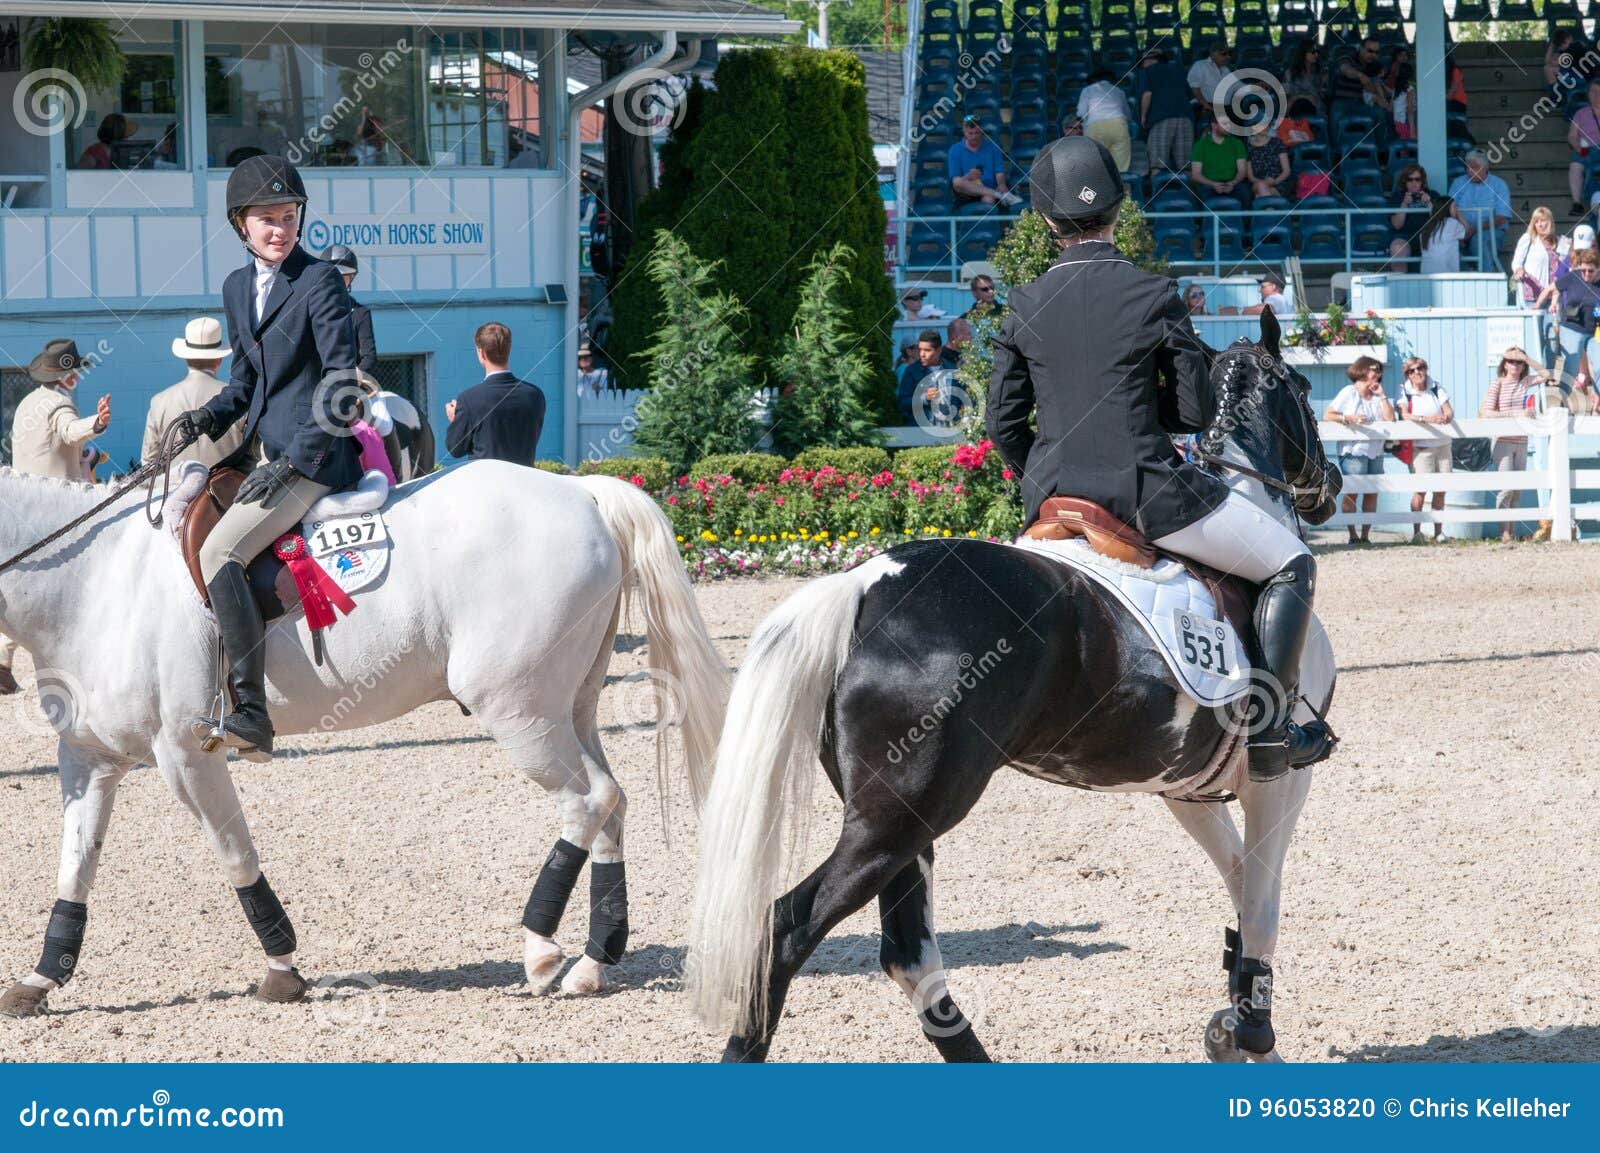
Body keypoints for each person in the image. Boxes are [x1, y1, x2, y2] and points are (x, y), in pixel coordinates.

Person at [986, 135, 1330, 782]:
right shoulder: (1152, 293)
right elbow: (1197, 413)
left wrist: (1044, 473)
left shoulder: (1023, 305)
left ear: (1044, 221)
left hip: (1051, 503)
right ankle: (1271, 739)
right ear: (1117, 210)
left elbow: (1001, 422)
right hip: (1148, 497)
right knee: (1291, 563)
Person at [172, 154, 364, 762]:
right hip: (258, 452)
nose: (280, 229)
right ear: (241, 225)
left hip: (311, 458)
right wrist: (209, 416)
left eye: (288, 217)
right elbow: (247, 383)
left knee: (219, 550)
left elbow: (342, 381)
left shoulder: (319, 281)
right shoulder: (236, 288)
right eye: (267, 220)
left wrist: (299, 456)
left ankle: (252, 712)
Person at [5, 338, 114, 697]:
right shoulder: (58, 404)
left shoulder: (25, 403)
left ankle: (4, 657)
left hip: (23, 502)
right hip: (58, 507)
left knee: (23, 581)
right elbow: (69, 430)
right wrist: (96, 424)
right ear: (68, 376)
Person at [143, 317, 249, 469]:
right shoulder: (239, 400)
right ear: (219, 359)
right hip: (227, 490)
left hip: (176, 491)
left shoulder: (159, 402)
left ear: (186, 357)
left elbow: (149, 463)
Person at [445, 322, 546, 465]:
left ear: (481, 352)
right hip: (524, 481)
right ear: (509, 349)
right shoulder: (535, 395)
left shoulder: (469, 399)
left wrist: (456, 420)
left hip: (487, 484)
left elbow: (456, 449)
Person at [1324, 357, 1394, 546]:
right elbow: (1328, 414)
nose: (1377, 374)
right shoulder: (1349, 392)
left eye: (1379, 371)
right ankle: (1352, 534)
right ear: (1362, 370)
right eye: (1373, 369)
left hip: (1375, 450)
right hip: (1353, 450)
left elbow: (1390, 419)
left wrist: (1383, 395)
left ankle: (1365, 535)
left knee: (1372, 492)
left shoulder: (1379, 396)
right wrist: (1349, 417)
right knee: (1352, 492)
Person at [1480, 348, 1542, 542]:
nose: (1515, 365)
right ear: (1504, 364)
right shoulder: (1497, 383)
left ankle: (1512, 531)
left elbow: (1547, 374)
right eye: (1511, 361)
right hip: (1503, 441)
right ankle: (1504, 532)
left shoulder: (1525, 382)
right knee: (1505, 488)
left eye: (1519, 362)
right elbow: (1488, 412)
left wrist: (1527, 358)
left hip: (1521, 441)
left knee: (1517, 490)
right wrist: (1518, 414)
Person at [1398, 358, 1454, 542]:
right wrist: (1427, 420)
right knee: (1420, 490)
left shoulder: (1436, 387)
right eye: (1411, 370)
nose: (1417, 372)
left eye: (1420, 368)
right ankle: (1417, 533)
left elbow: (1448, 410)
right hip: (1421, 448)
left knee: (1441, 490)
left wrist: (1444, 417)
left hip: (1443, 445)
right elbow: (1404, 415)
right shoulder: (1405, 391)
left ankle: (1439, 532)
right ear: (1407, 374)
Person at [1138, 46, 1197, 174]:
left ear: (1147, 60)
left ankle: (1157, 194)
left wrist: (1143, 117)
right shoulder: (1179, 70)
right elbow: (1191, 96)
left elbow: (1147, 95)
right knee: (1186, 167)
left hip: (1161, 119)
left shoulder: (1147, 71)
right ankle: (1189, 194)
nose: (1142, 64)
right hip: (1186, 119)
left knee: (1157, 166)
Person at [321, 245, 377, 373]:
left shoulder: (360, 313)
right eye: (333, 276)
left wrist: (351, 378)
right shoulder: (311, 308)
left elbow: (369, 357)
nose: (338, 281)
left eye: (343, 276)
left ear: (351, 278)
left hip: (348, 381)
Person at [1449, 151, 1512, 258]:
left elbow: (1501, 217)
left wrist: (1474, 230)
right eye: (1468, 167)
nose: (1470, 171)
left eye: (1474, 167)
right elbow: (1449, 210)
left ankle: (1485, 274)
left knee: (1478, 240)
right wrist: (1462, 231)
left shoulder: (1499, 185)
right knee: (1447, 241)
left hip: (1490, 231)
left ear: (1485, 168)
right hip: (1461, 230)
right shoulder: (1458, 183)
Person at [947, 115, 1018, 208]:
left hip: (988, 186)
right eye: (970, 133)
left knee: (989, 199)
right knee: (957, 182)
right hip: (966, 191)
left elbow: (999, 172)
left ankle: (996, 194)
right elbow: (956, 180)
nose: (974, 136)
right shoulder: (955, 150)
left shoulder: (993, 148)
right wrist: (969, 176)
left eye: (977, 133)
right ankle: (999, 195)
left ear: (981, 131)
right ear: (964, 132)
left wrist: (1002, 185)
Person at [1076, 68, 1133, 173]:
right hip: (1118, 125)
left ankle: (1098, 188)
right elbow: (1128, 116)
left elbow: (1081, 114)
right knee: (1121, 168)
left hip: (1095, 126)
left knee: (1096, 166)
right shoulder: (1119, 91)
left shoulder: (1088, 90)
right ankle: (1123, 189)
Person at [1331, 37, 1392, 132]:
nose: (1373, 55)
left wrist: (1379, 96)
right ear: (1361, 48)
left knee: (1380, 113)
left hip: (1363, 102)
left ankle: (1381, 146)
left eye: (1376, 52)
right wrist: (1359, 75)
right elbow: (1346, 70)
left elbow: (1379, 86)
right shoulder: (1348, 58)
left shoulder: (1375, 65)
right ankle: (1334, 146)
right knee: (1336, 115)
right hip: (1342, 102)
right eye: (1370, 51)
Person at [1189, 112, 1247, 203]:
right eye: (1225, 124)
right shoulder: (1200, 145)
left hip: (1232, 182)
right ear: (1214, 125)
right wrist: (1213, 184)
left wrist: (1232, 183)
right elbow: (1196, 174)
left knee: (1245, 194)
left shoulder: (1237, 143)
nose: (1229, 127)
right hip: (1208, 183)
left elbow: (1242, 171)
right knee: (1201, 197)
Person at [1513, 207, 1560, 309]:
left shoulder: (1560, 241)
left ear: (1550, 222)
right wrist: (1518, 269)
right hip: (1534, 294)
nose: (1540, 224)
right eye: (1536, 221)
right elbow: (1516, 262)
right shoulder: (1528, 238)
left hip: (1554, 298)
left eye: (1543, 220)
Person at [1388, 164, 1434, 264]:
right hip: (1404, 236)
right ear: (1405, 181)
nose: (1414, 183)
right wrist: (1404, 204)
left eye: (1417, 179)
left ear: (1422, 181)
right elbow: (1396, 225)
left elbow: (1440, 221)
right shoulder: (1397, 196)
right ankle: (1400, 280)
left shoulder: (1432, 194)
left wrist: (1429, 204)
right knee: (1397, 250)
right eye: (1410, 179)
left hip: (1429, 236)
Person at [1567, 78, 1600, 214]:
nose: (1596, 95)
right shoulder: (1580, 113)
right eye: (1593, 91)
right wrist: (1580, 149)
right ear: (1588, 93)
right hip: (1586, 149)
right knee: (1575, 165)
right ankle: (1577, 203)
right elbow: (1572, 136)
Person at [896, 329, 945, 421]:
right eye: (919, 349)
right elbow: (902, 403)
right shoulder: (910, 371)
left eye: (927, 350)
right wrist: (924, 398)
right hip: (920, 429)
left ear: (938, 350)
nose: (921, 354)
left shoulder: (951, 368)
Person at [1418, 196, 1466, 275]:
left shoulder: (1427, 226)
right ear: (1447, 209)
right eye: (1454, 206)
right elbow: (1467, 230)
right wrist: (1459, 214)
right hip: (1447, 274)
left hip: (1426, 275)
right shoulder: (1452, 223)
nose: (1456, 209)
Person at [1245, 119, 1291, 200]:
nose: (1266, 128)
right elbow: (1250, 176)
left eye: (1267, 125)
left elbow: (1286, 171)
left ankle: (1267, 209)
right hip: (1257, 183)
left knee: (1261, 194)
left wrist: (1274, 181)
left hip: (1278, 182)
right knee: (1261, 185)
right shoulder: (1248, 147)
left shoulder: (1278, 143)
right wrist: (1264, 182)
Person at [1283, 40, 1325, 115]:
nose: (1316, 55)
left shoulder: (1319, 72)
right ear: (1303, 53)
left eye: (1317, 52)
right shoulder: (1290, 73)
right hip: (1295, 107)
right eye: (1313, 52)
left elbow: (1322, 94)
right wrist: (1304, 97)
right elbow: (1286, 98)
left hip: (1316, 108)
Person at [1187, 40, 1233, 108]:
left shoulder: (1226, 70)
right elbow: (1195, 88)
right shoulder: (1200, 65)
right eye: (1224, 54)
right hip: (1206, 106)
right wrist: (1205, 105)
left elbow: (1237, 86)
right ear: (1213, 54)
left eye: (1229, 54)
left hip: (1226, 108)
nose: (1228, 57)